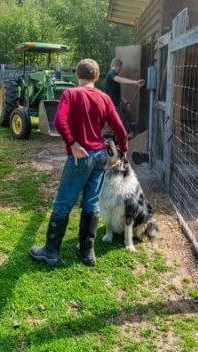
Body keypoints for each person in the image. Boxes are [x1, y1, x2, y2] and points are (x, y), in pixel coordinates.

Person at [29, 58, 128, 267]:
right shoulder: (105, 98)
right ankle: (87, 252)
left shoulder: (70, 94)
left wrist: (72, 143)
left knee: (63, 202)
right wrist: (123, 148)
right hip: (100, 155)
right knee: (91, 202)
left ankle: (51, 252)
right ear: (97, 77)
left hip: (80, 156)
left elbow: (59, 121)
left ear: (77, 75)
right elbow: (120, 128)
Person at [104, 58, 145, 134]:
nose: (120, 69)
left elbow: (115, 93)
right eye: (120, 67)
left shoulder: (112, 75)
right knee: (118, 126)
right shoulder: (112, 73)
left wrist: (125, 103)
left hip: (115, 105)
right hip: (112, 106)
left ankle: (124, 136)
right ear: (118, 66)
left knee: (121, 124)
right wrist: (135, 82)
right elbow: (120, 79)